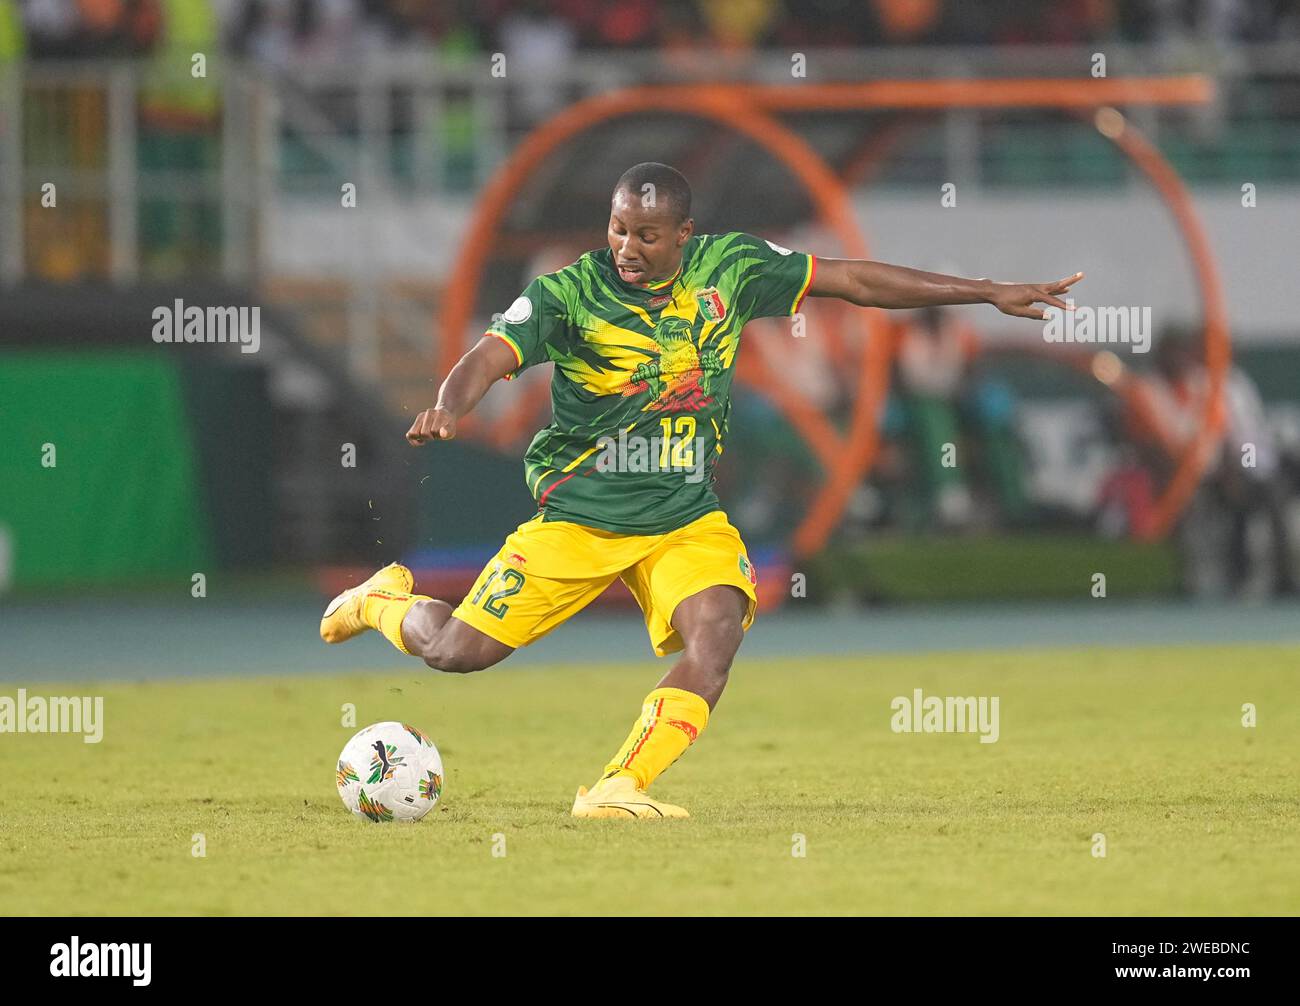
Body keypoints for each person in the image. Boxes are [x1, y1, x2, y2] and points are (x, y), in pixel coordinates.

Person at [321, 162, 1083, 818]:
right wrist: (449, 409)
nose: (626, 247)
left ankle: (617, 787)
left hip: (686, 518)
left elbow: (853, 280)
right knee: (456, 653)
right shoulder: (568, 295)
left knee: (716, 637)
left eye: (646, 235)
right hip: (582, 516)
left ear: (685, 234)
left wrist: (986, 291)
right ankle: (383, 600)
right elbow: (489, 355)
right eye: (618, 228)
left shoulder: (733, 268)